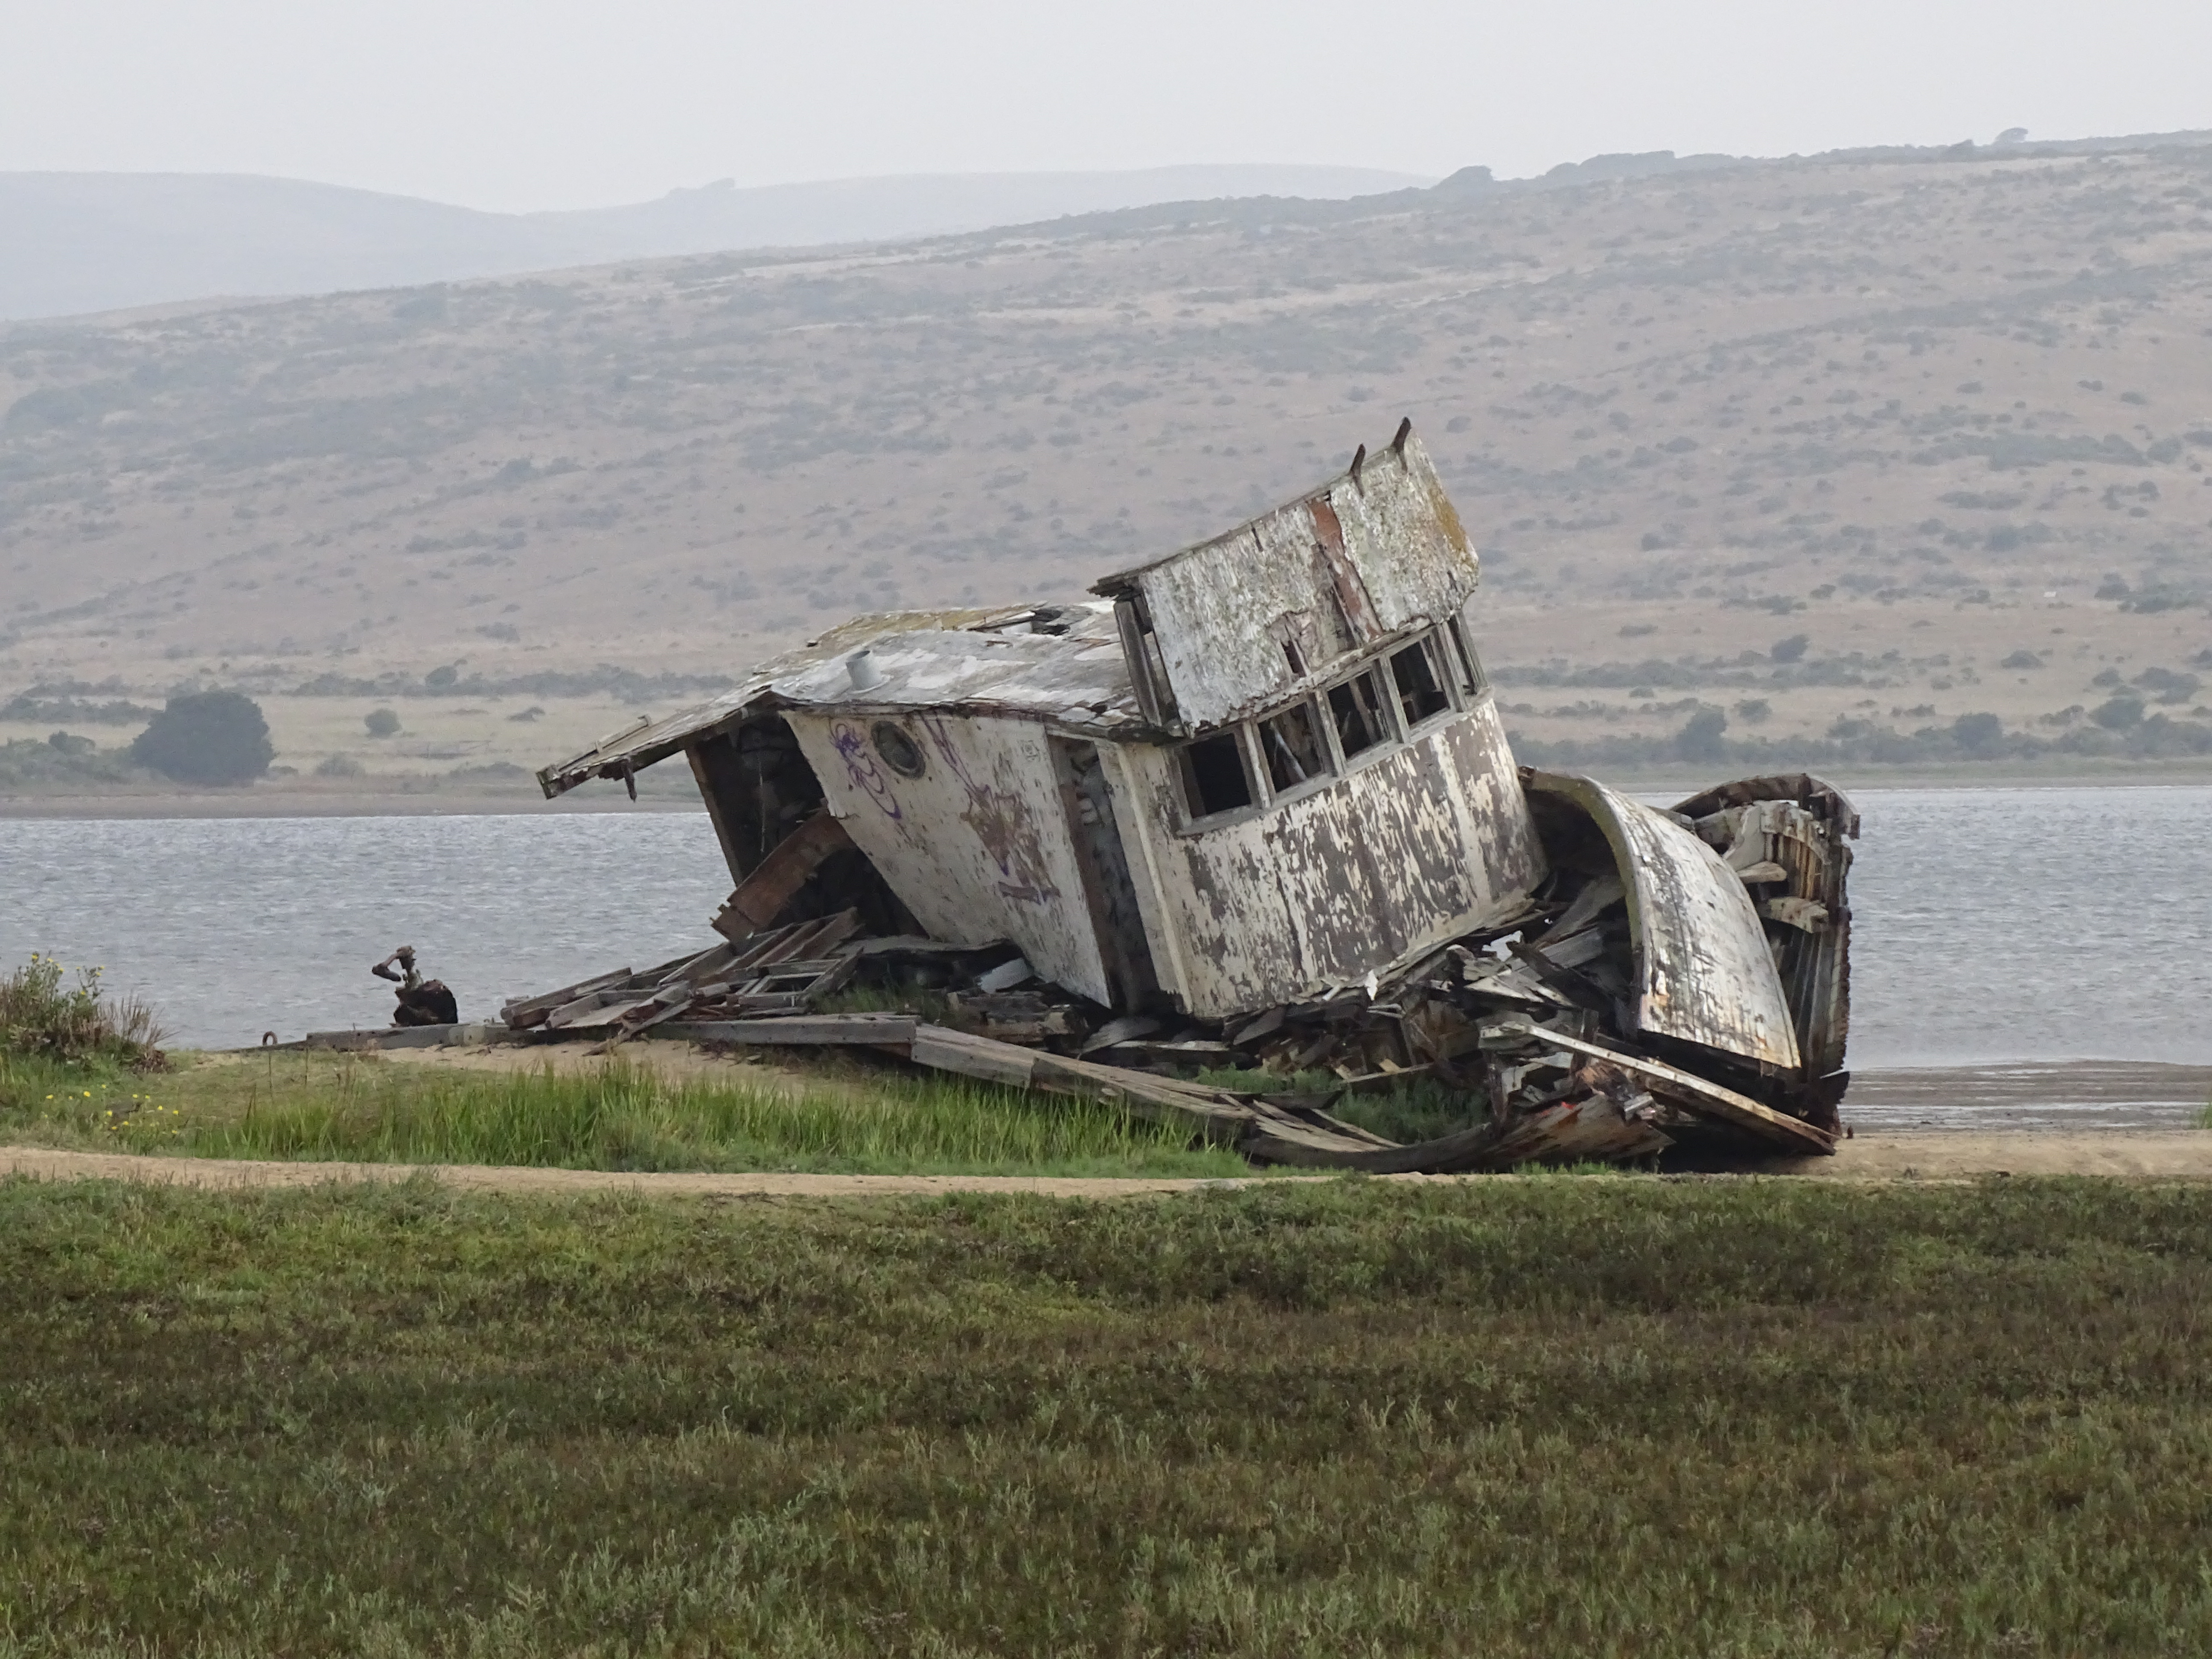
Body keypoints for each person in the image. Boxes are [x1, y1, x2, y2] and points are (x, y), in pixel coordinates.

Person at [371, 945, 459, 1026]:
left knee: (409, 1002)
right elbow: (415, 986)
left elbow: (415, 988)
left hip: (431, 1020)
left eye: (431, 984)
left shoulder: (433, 1001)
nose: (432, 981)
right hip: (430, 1015)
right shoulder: (428, 997)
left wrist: (395, 959)